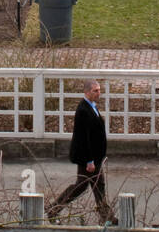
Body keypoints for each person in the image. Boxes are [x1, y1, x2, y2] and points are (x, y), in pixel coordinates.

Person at [47, 79, 118, 224]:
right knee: (81, 186)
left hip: (94, 157)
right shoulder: (83, 110)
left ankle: (106, 217)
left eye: (99, 90)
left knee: (98, 186)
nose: (99, 93)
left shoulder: (91, 106)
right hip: (88, 158)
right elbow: (83, 138)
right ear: (86, 92)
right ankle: (53, 210)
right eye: (95, 91)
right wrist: (90, 161)